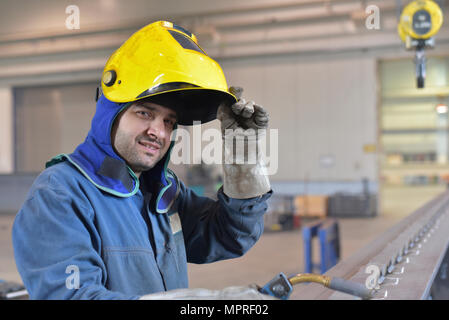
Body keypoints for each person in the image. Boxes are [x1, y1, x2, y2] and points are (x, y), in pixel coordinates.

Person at [12, 21, 273, 300]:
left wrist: (245, 160)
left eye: (168, 121)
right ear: (110, 113)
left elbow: (228, 236)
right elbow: (73, 297)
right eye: (145, 113)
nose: (158, 132)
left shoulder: (163, 190)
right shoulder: (60, 193)